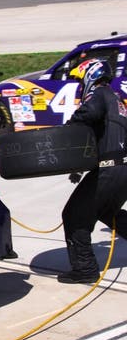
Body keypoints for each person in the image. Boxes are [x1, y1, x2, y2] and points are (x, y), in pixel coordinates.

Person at [58, 58, 127, 284]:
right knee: (108, 212)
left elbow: (87, 116)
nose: (80, 87)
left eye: (80, 81)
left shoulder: (97, 95)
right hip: (121, 168)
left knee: (74, 215)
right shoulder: (117, 100)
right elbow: (102, 135)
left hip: (110, 169)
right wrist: (79, 167)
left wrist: (66, 131)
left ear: (91, 74)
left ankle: (85, 269)